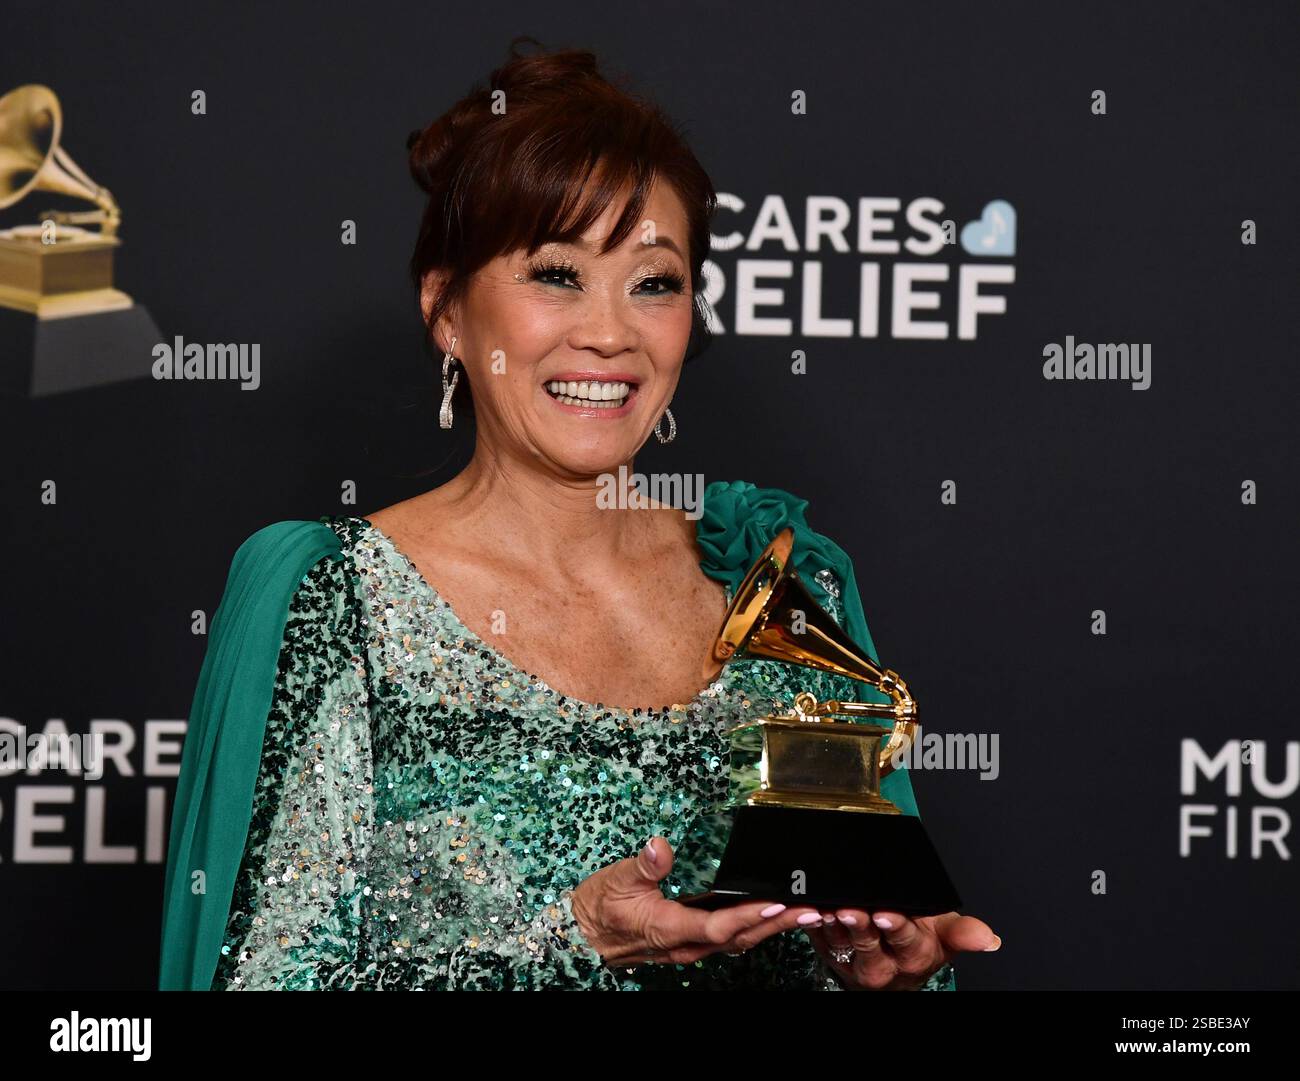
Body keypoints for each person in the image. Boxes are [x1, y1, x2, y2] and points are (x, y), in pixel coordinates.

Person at [158, 40, 998, 991]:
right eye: (556, 273)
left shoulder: (781, 580)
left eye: (655, 282)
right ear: (445, 310)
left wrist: (889, 972)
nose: (610, 331)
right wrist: (565, 949)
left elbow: (875, 937)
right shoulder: (334, 596)